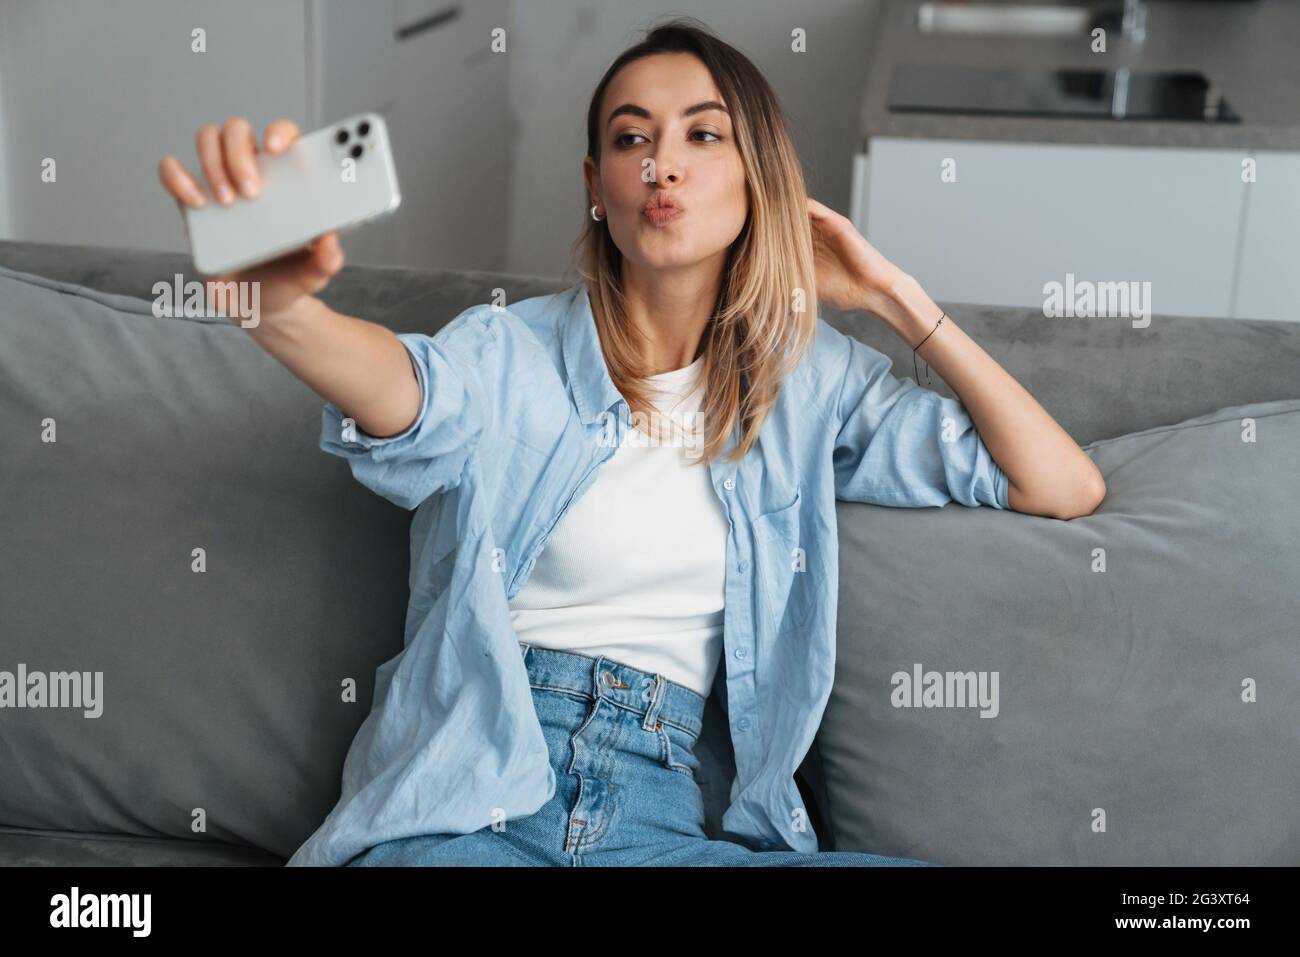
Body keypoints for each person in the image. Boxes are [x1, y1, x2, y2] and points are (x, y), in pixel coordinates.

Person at [157, 17, 1104, 867]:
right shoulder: (508, 349)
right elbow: (407, 393)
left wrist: (899, 298)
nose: (663, 164)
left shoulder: (810, 383)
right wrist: (276, 307)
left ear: (757, 178)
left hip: (659, 814)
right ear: (596, 189)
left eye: (703, 134)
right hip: (472, 807)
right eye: (630, 139)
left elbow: (1060, 484)